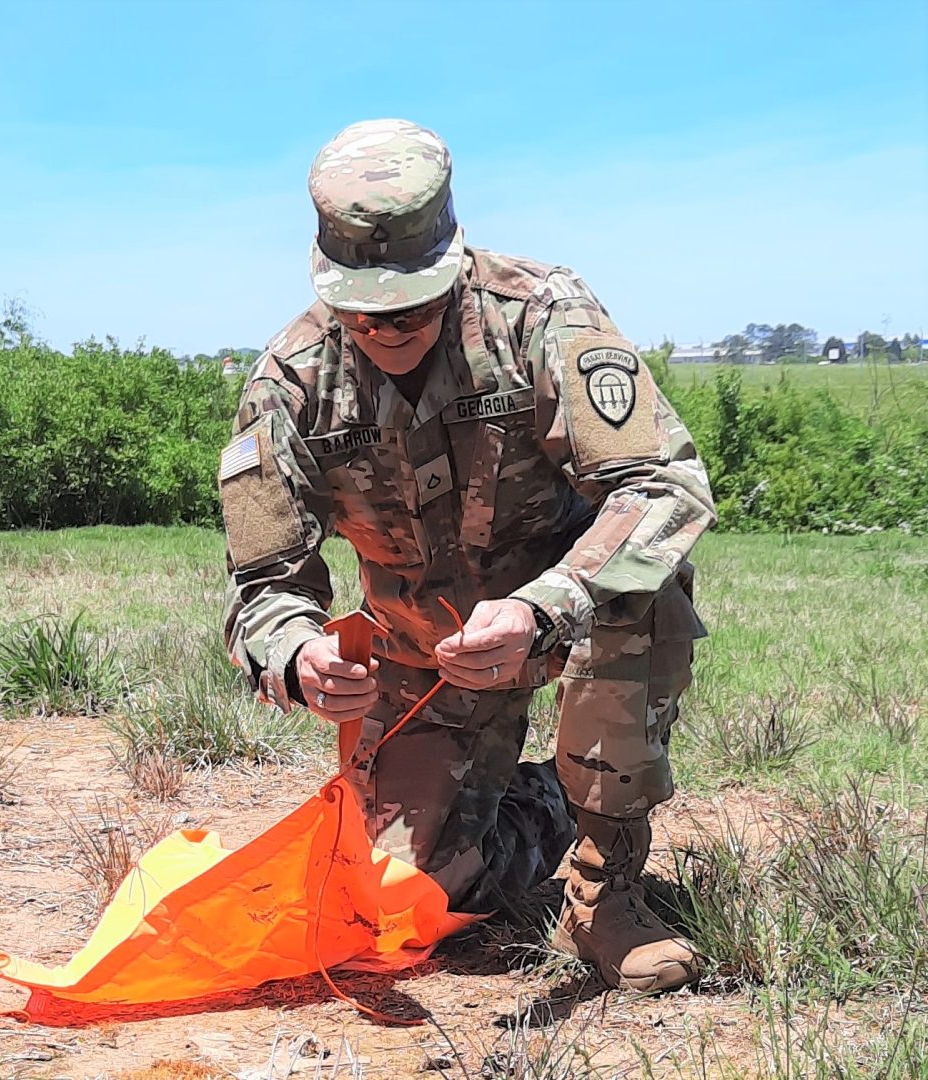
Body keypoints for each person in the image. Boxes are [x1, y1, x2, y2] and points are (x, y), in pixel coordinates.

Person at [220, 119, 715, 992]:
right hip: (427, 667)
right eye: (364, 307)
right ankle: (549, 800)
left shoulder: (541, 313)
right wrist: (296, 654)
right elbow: (265, 583)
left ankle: (606, 894)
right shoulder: (289, 382)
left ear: (451, 254)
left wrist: (542, 607)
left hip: (567, 627)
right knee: (410, 900)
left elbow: (662, 489)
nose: (388, 325)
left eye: (412, 300)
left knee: (647, 589)